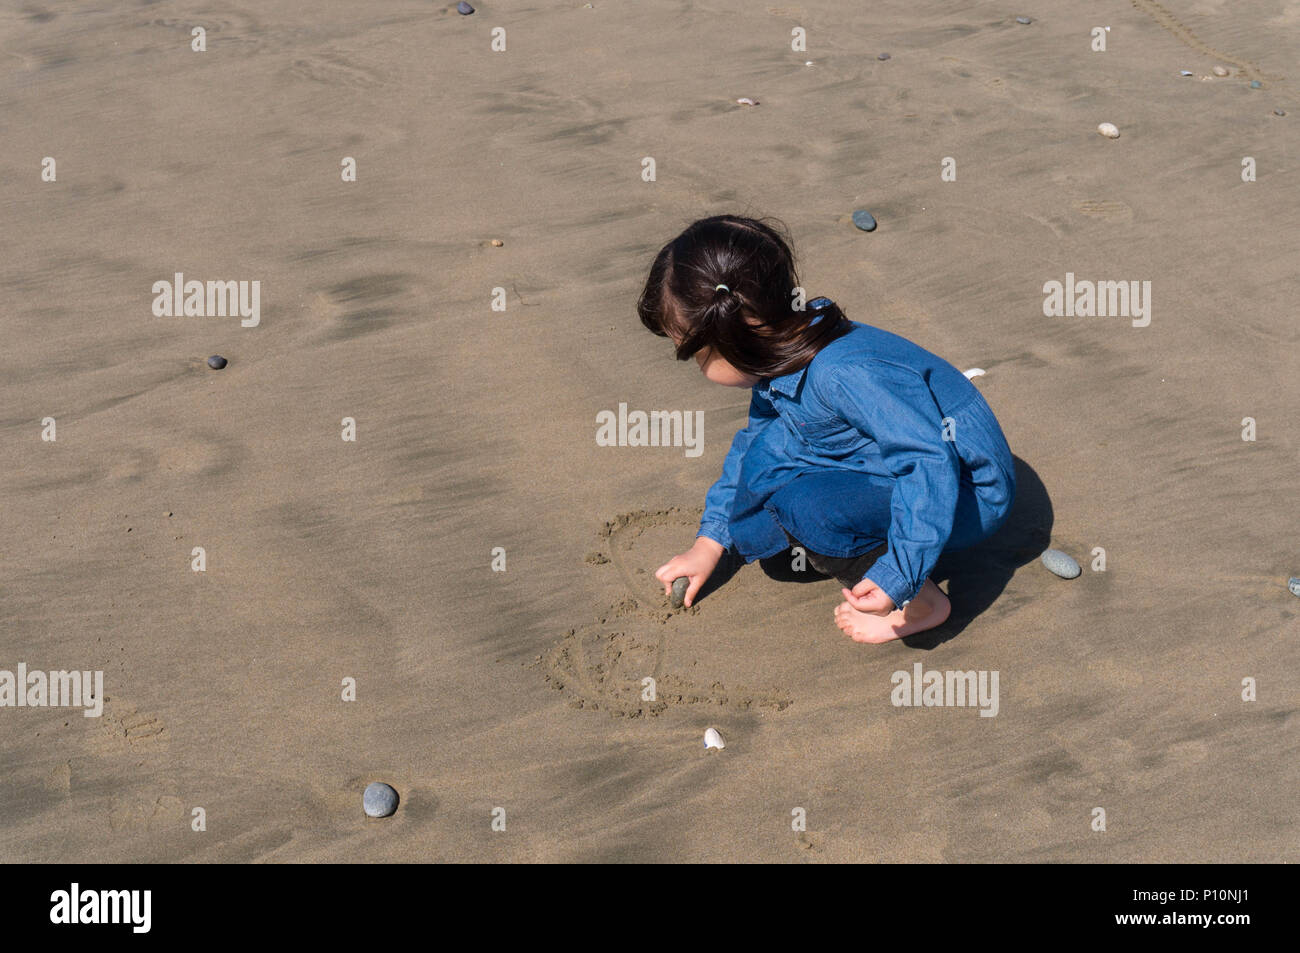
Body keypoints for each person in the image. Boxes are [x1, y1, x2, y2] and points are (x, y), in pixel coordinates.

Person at [638, 215, 1016, 643]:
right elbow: (755, 446)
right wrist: (711, 543)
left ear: (737, 338)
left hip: (966, 493)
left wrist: (898, 575)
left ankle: (923, 603)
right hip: (878, 459)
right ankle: (853, 542)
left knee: (807, 510)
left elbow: (927, 459)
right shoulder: (784, 347)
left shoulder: (842, 374)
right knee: (770, 469)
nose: (695, 366)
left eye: (694, 355)